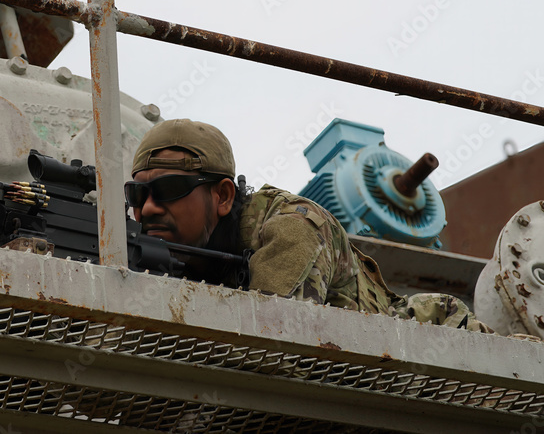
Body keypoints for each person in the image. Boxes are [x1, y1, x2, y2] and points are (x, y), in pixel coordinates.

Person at [127, 118, 492, 332]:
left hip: (426, 343)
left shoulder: (294, 226)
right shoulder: (159, 254)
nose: (149, 209)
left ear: (222, 196)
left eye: (168, 189)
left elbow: (273, 347)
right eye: (137, 196)